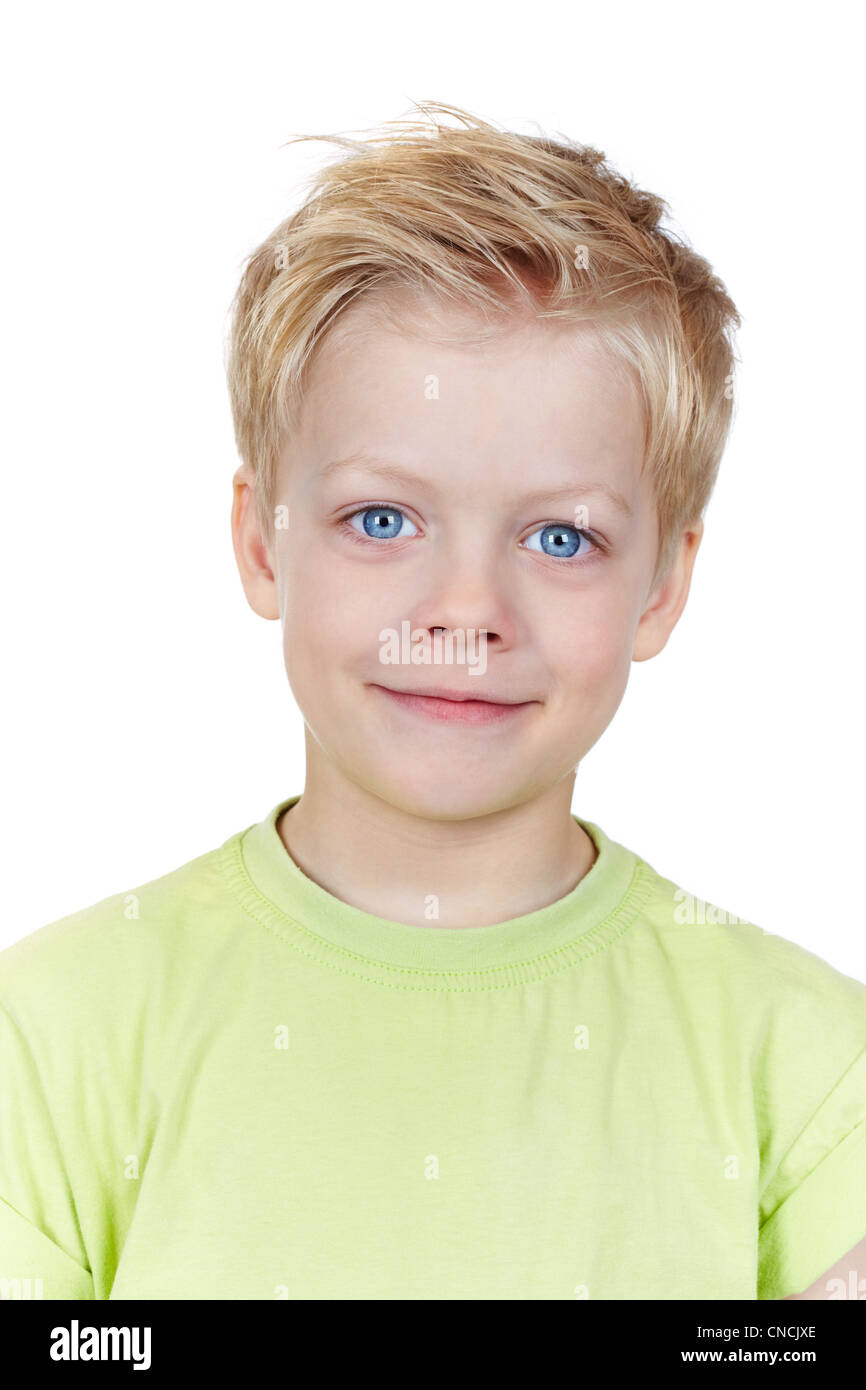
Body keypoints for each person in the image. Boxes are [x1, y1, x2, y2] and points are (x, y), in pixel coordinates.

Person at [2, 101, 864, 1302]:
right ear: (261, 542)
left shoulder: (813, 1073)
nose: (464, 609)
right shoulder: (47, 1038)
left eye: (560, 535)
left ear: (662, 583)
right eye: (382, 519)